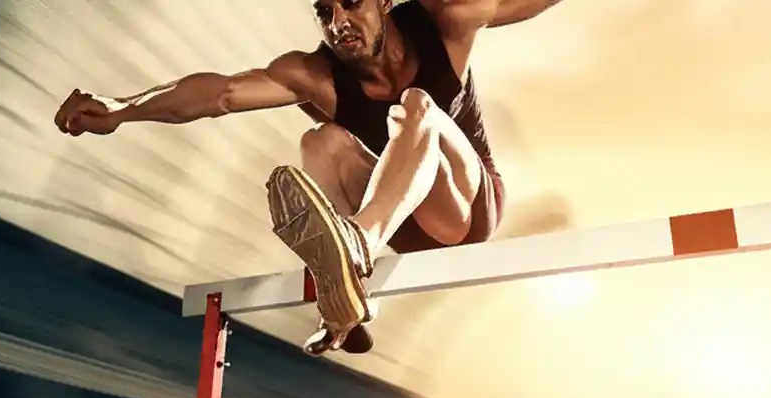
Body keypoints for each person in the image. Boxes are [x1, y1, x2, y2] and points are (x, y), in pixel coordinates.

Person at [54, 0, 566, 355]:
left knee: (416, 106)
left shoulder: (446, 19)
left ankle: (356, 245)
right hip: (402, 220)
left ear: (384, 2)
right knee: (319, 141)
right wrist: (123, 109)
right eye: (325, 12)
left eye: (351, 4)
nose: (339, 23)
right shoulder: (315, 75)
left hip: (468, 207)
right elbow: (222, 94)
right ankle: (348, 288)